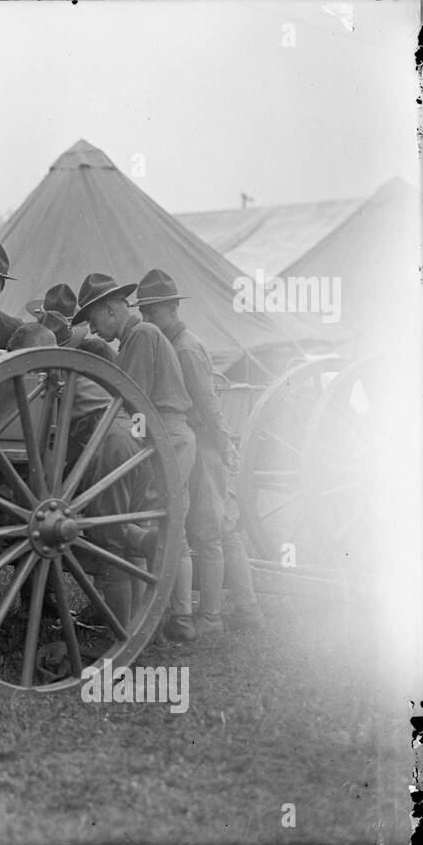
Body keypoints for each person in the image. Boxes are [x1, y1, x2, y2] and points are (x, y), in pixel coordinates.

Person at [73, 271, 198, 642]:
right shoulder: (135, 338)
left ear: (111, 310)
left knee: (153, 531)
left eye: (94, 321)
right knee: (146, 530)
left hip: (167, 437)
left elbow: (130, 400)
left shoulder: (141, 336)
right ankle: (154, 625)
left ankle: (159, 623)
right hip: (159, 434)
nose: (94, 331)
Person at [137, 268, 262, 637]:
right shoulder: (172, 343)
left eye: (153, 312)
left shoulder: (185, 348)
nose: (147, 320)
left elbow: (208, 405)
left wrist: (225, 447)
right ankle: (247, 609)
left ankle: (209, 617)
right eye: (143, 313)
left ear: (172, 308)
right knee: (221, 527)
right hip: (196, 442)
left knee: (211, 530)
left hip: (204, 444)